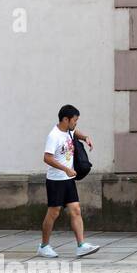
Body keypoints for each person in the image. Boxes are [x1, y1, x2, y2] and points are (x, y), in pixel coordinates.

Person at [38, 105, 99, 258]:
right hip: (56, 181)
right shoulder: (54, 136)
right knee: (54, 213)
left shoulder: (68, 130)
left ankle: (81, 245)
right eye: (75, 120)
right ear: (66, 119)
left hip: (68, 180)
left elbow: (75, 132)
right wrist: (65, 169)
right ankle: (44, 246)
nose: (76, 123)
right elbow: (47, 157)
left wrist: (85, 138)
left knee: (76, 210)